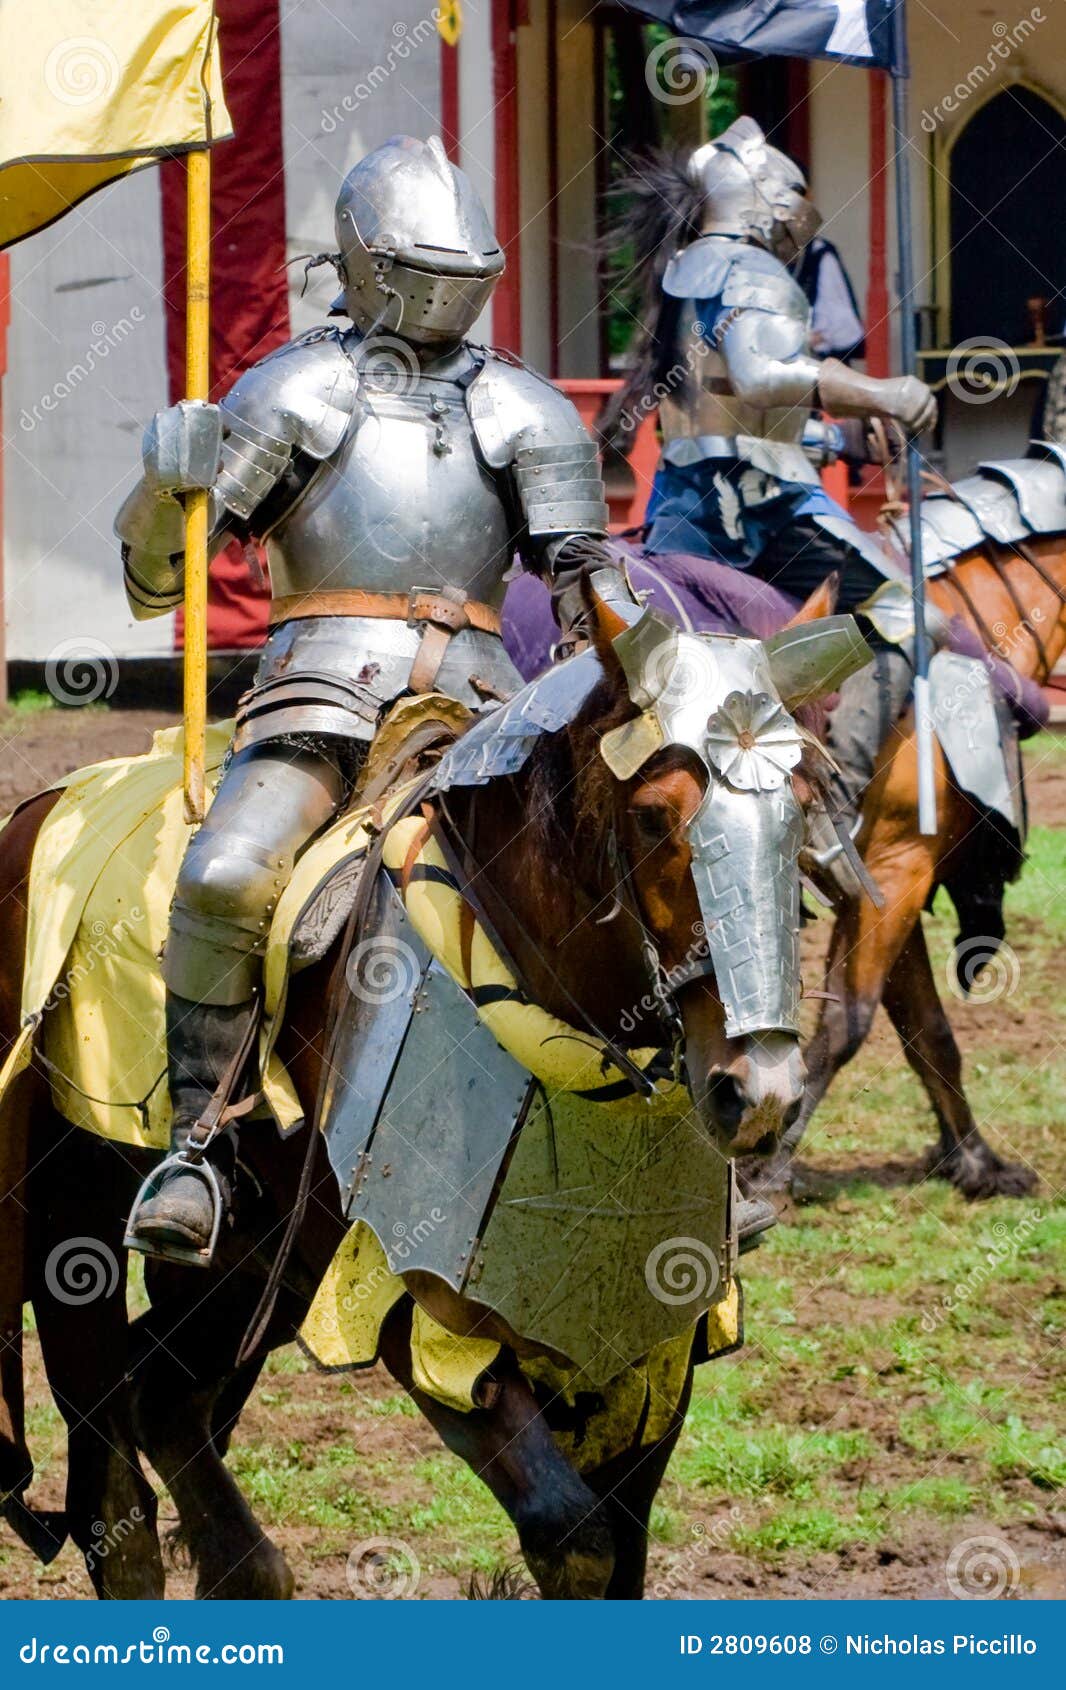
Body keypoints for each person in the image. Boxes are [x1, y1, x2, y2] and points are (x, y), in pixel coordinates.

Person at [116, 135, 630, 1261]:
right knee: (229, 868)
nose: (444, 297)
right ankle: (196, 1144)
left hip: (487, 715)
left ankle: (661, 1116)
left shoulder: (526, 409)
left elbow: (586, 583)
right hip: (320, 697)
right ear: (365, 263)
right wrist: (167, 481)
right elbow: (158, 575)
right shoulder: (297, 388)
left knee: (617, 872)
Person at [637, 117, 938, 870]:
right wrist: (884, 392)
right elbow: (761, 377)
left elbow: (727, 415)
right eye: (797, 194)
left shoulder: (685, 270)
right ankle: (831, 813)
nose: (805, 210)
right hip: (767, 511)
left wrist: (837, 440)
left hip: (686, 504)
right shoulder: (753, 270)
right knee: (904, 616)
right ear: (766, 199)